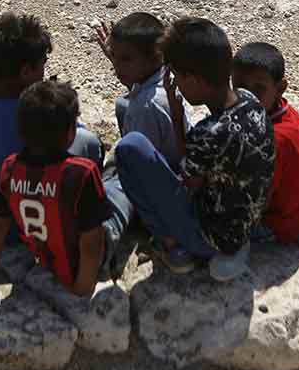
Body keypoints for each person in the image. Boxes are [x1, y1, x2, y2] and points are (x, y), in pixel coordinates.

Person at [115, 18, 274, 281]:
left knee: (129, 148)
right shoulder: (251, 102)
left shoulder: (207, 133)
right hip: (246, 224)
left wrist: (177, 122)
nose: (175, 83)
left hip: (209, 239)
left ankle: (171, 245)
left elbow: (189, 185)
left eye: (178, 77)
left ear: (194, 80)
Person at [0, 81, 133, 296]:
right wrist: (83, 287)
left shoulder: (10, 168)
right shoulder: (82, 173)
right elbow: (92, 241)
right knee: (126, 170)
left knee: (108, 177)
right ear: (69, 134)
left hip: (46, 256)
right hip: (86, 260)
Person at [0, 12, 102, 238]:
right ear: (26, 71)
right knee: (91, 142)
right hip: (35, 226)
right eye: (41, 65)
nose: (44, 73)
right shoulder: (42, 112)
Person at [232, 42, 299, 244]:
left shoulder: (274, 139)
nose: (248, 97)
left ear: (280, 88)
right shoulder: (280, 111)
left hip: (278, 225)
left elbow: (258, 204)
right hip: (293, 214)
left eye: (258, 89)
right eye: (240, 88)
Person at [94, 12, 190, 167]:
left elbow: (142, 166)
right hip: (172, 159)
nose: (117, 66)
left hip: (162, 178)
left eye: (126, 59)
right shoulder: (166, 77)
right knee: (122, 104)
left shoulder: (145, 107)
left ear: (156, 56)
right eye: (114, 56)